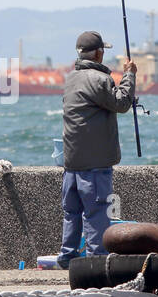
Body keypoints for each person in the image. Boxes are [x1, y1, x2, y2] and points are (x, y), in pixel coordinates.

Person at [57, 31, 136, 269]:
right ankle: (96, 261)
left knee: (72, 213)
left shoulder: (70, 78)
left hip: (71, 162)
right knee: (97, 211)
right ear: (99, 53)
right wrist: (129, 75)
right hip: (95, 164)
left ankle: (67, 258)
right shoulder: (99, 79)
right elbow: (121, 103)